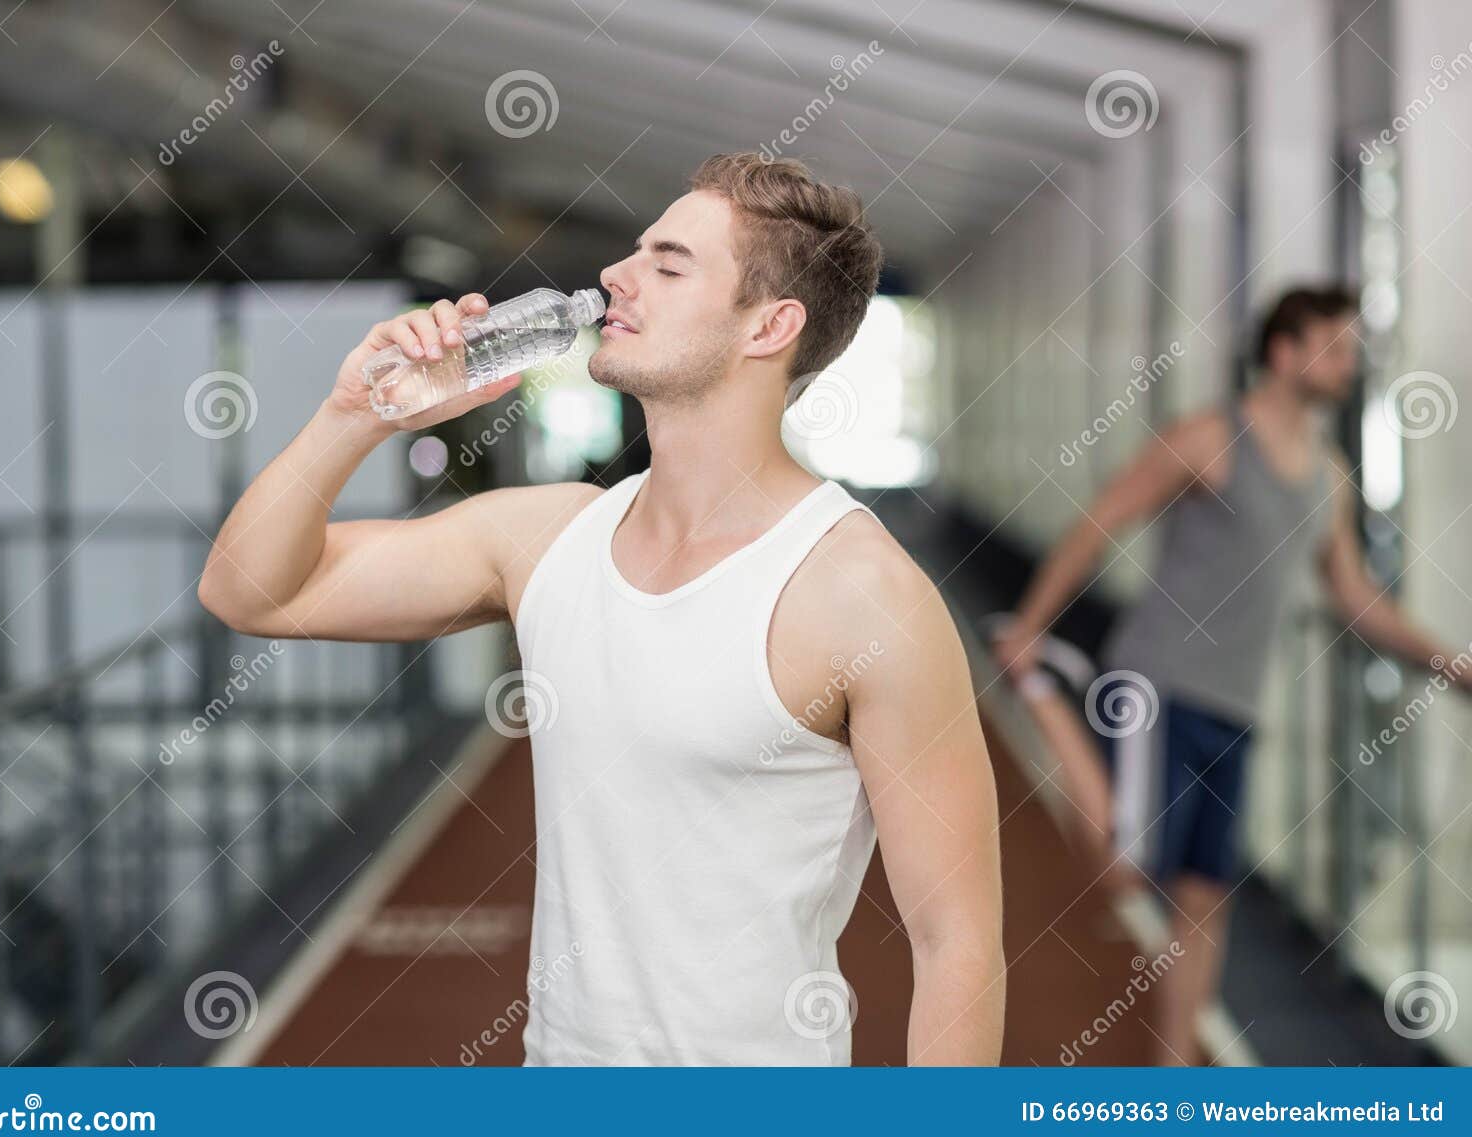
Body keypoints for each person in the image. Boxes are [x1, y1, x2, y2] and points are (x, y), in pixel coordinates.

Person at [198, 152, 1005, 1066]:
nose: (616, 277)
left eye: (668, 264)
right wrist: (357, 414)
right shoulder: (546, 536)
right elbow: (251, 589)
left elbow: (957, 943)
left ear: (769, 327)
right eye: (634, 253)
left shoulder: (860, 592)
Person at [992, 285, 1470, 1066]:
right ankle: (1045, 696)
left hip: (1235, 707)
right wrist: (1028, 627)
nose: (1352, 364)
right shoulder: (1211, 436)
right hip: (1158, 681)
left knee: (1204, 899)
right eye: (1338, 347)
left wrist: (1451, 664)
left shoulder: (1330, 476)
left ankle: (1177, 1085)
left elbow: (1354, 597)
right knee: (1120, 874)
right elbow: (1103, 516)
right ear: (1286, 352)